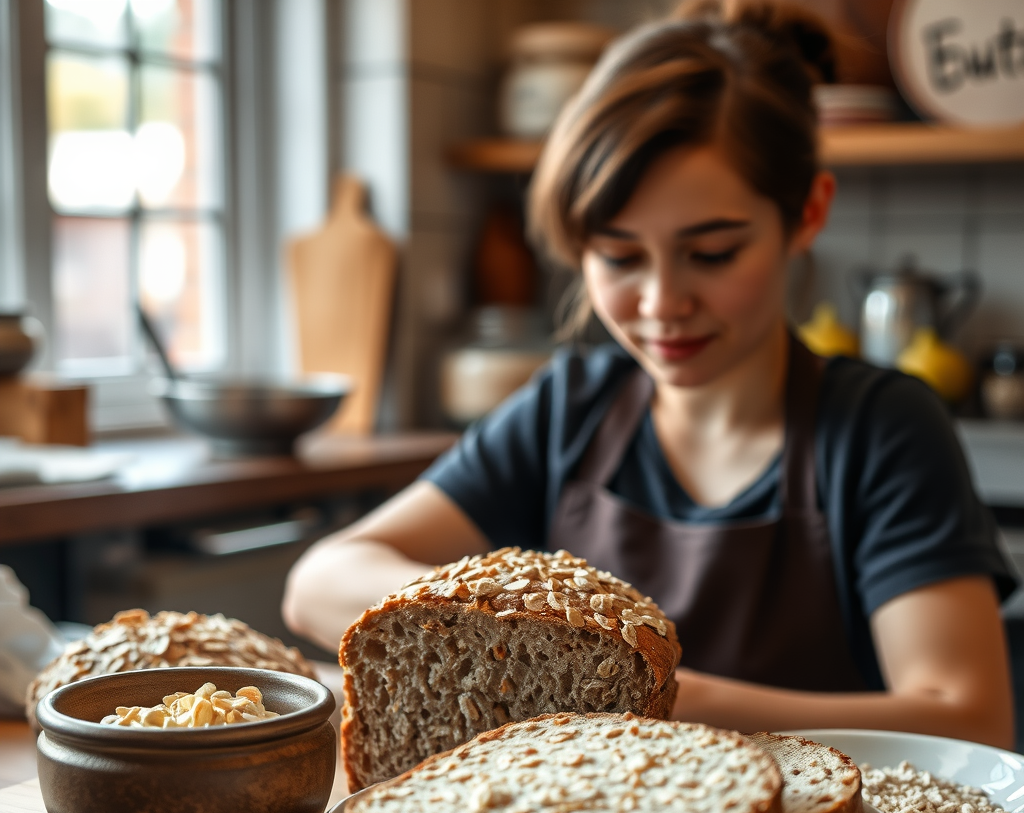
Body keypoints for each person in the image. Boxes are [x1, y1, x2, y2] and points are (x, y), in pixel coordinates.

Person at [284, 3, 1016, 748]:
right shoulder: (567, 409)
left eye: (713, 252)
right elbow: (317, 584)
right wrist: (540, 632)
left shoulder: (882, 430)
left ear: (806, 214)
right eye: (621, 256)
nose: (663, 304)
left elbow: (969, 718)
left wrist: (654, 691)